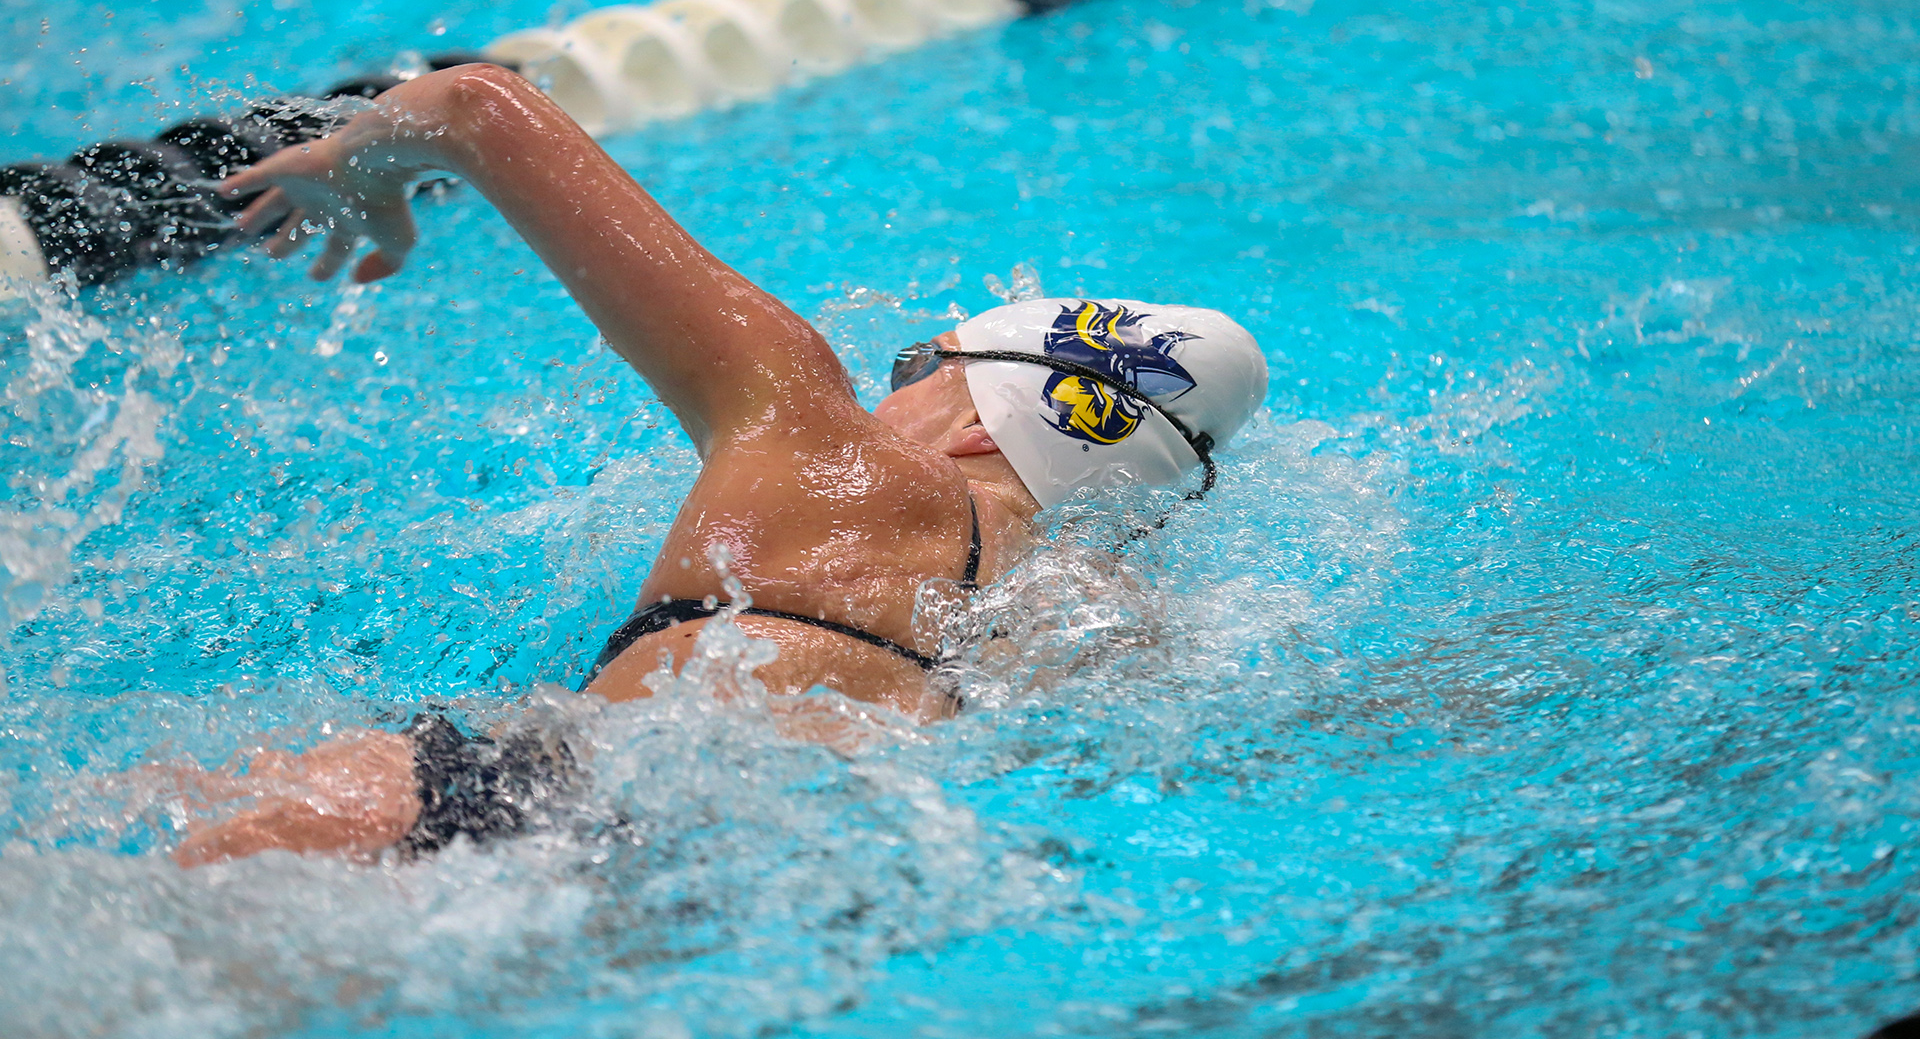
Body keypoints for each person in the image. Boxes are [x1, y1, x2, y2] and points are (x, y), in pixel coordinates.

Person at [164, 63, 1269, 867]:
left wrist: (351, 167)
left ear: (986, 424)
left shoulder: (821, 440)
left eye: (920, 365)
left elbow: (475, 106)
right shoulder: (1066, 623)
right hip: (685, 880)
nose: (884, 388)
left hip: (514, 804)